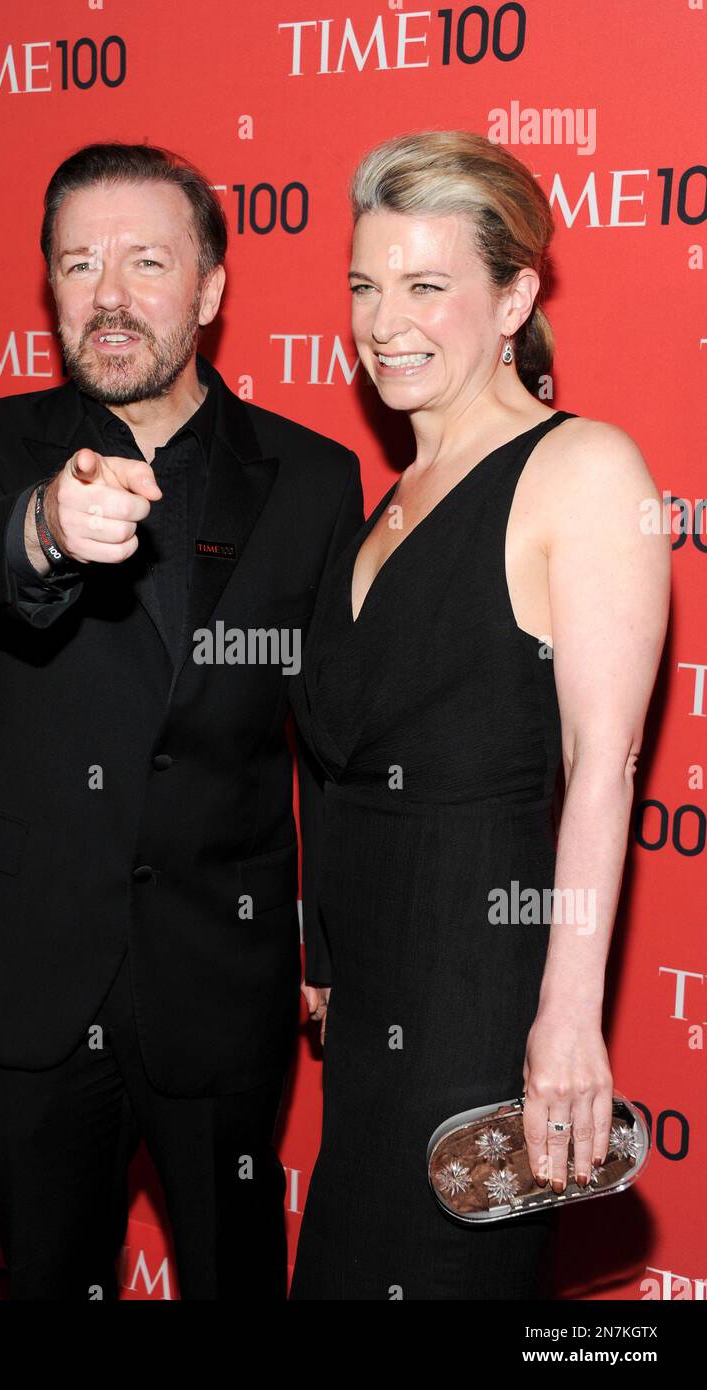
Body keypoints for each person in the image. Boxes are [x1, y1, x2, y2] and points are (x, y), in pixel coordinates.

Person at [0, 142, 364, 1300]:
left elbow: (336, 739)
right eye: (78, 263)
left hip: (222, 964)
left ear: (208, 290)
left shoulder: (311, 479)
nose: (108, 294)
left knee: (236, 1276)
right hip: (36, 960)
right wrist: (47, 527)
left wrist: (332, 945)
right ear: (49, 287)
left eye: (148, 261)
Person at [288, 130, 670, 1300]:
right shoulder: (385, 502)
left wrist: (567, 1023)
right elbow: (348, 763)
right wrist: (324, 951)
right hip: (368, 1010)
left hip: (478, 1001)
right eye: (363, 284)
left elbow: (604, 770)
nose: (382, 319)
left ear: (514, 298)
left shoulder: (583, 468)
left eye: (425, 285)